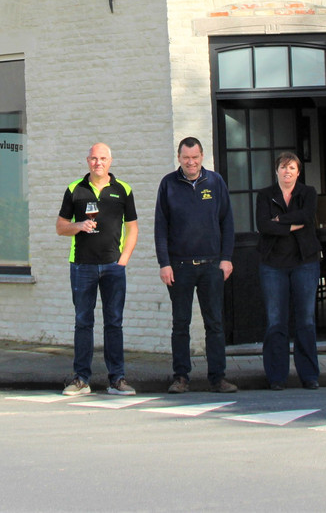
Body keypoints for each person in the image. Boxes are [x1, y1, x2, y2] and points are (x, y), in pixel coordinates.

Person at [155, 137, 237, 394]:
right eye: (186, 157)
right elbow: (160, 227)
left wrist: (226, 258)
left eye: (195, 157)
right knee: (180, 323)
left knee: (214, 323)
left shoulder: (215, 182)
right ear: (179, 157)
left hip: (211, 265)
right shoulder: (168, 184)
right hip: (179, 267)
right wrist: (164, 264)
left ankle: (217, 378)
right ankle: (181, 377)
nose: (191, 162)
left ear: (202, 157)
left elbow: (227, 222)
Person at [57, 142, 139, 397]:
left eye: (102, 158)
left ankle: (117, 379)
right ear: (87, 161)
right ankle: (81, 379)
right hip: (82, 265)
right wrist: (78, 225)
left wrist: (123, 259)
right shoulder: (75, 189)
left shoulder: (123, 190)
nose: (98, 163)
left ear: (110, 161)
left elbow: (133, 228)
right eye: (94, 158)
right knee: (83, 322)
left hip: (114, 266)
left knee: (114, 322)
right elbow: (60, 226)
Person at [255, 151, 320, 390]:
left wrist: (278, 221)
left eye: (292, 168)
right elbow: (262, 225)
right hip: (272, 265)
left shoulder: (308, 193)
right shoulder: (265, 195)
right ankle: (276, 377)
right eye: (283, 167)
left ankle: (310, 376)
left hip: (305, 263)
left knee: (306, 320)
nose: (287, 171)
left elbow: (307, 217)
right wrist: (291, 225)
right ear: (276, 171)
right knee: (275, 322)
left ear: (298, 172)